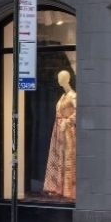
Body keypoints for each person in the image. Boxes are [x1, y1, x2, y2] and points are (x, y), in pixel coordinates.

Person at [43, 69, 77, 200]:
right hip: (58, 130)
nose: (59, 80)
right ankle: (57, 187)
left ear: (67, 79)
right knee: (57, 157)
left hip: (67, 131)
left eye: (61, 78)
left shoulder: (73, 96)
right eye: (58, 78)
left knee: (67, 157)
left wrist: (67, 122)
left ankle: (68, 190)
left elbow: (78, 112)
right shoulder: (63, 96)